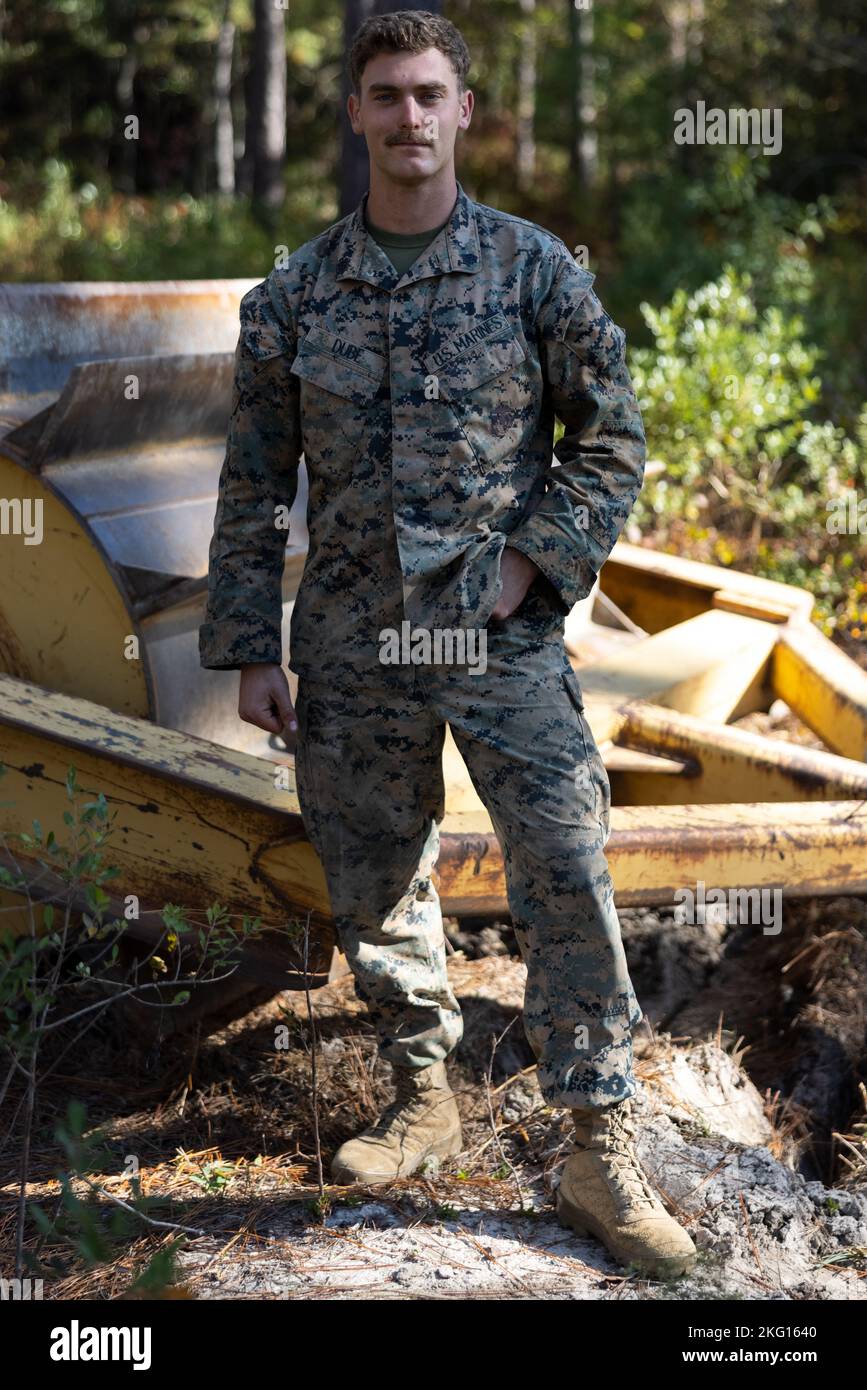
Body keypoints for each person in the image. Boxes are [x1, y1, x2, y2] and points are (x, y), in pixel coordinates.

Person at [199, 9, 696, 1279]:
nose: (408, 117)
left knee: (566, 858)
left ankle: (596, 1138)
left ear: (464, 112)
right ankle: (422, 1090)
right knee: (371, 866)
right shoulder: (296, 296)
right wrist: (254, 641)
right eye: (385, 95)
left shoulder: (533, 271)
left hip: (498, 631)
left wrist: (534, 560)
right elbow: (253, 483)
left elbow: (612, 436)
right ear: (358, 115)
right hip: (354, 641)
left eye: (430, 94)